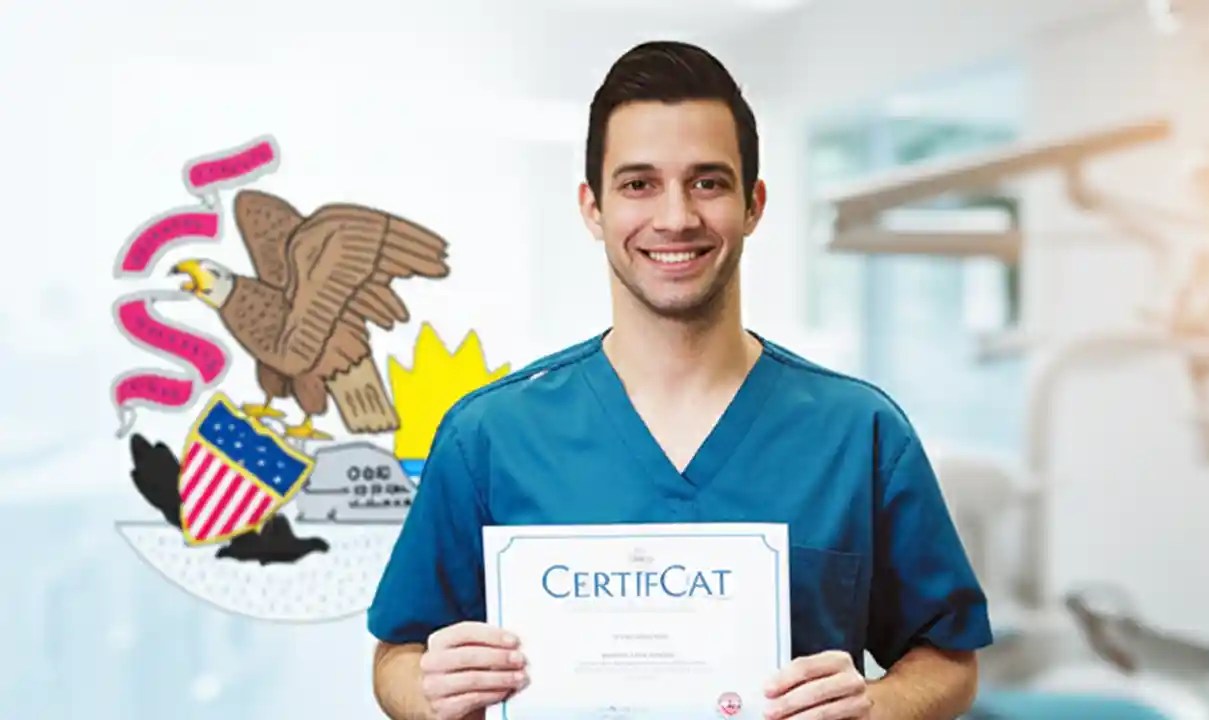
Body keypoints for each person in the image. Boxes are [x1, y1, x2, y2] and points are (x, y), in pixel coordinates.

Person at [367, 39, 993, 720]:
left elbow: (949, 659)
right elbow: (399, 655)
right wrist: (429, 692)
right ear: (592, 208)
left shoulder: (860, 433)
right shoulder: (489, 436)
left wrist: (877, 707)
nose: (676, 217)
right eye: (639, 184)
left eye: (708, 182)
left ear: (753, 204)